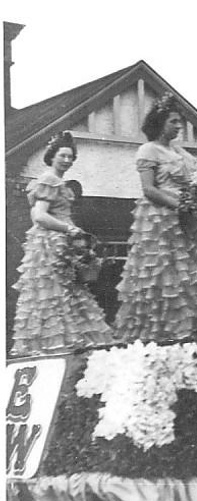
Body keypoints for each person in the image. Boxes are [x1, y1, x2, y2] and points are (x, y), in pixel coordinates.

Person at [115, 93, 197, 342]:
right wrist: (180, 205)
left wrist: (196, 201)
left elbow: (188, 185)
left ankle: (186, 332)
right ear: (159, 123)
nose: (179, 127)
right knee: (160, 271)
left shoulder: (181, 153)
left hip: (184, 217)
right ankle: (155, 332)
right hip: (159, 217)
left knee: (185, 274)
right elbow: (149, 189)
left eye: (180, 122)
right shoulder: (149, 150)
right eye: (173, 122)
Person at [10, 131, 113, 356]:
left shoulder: (58, 182)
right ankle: (54, 347)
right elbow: (38, 216)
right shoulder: (49, 179)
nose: (67, 160)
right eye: (62, 156)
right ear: (52, 155)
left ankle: (71, 344)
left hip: (63, 242)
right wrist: (69, 229)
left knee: (68, 292)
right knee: (53, 294)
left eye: (70, 157)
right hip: (51, 245)